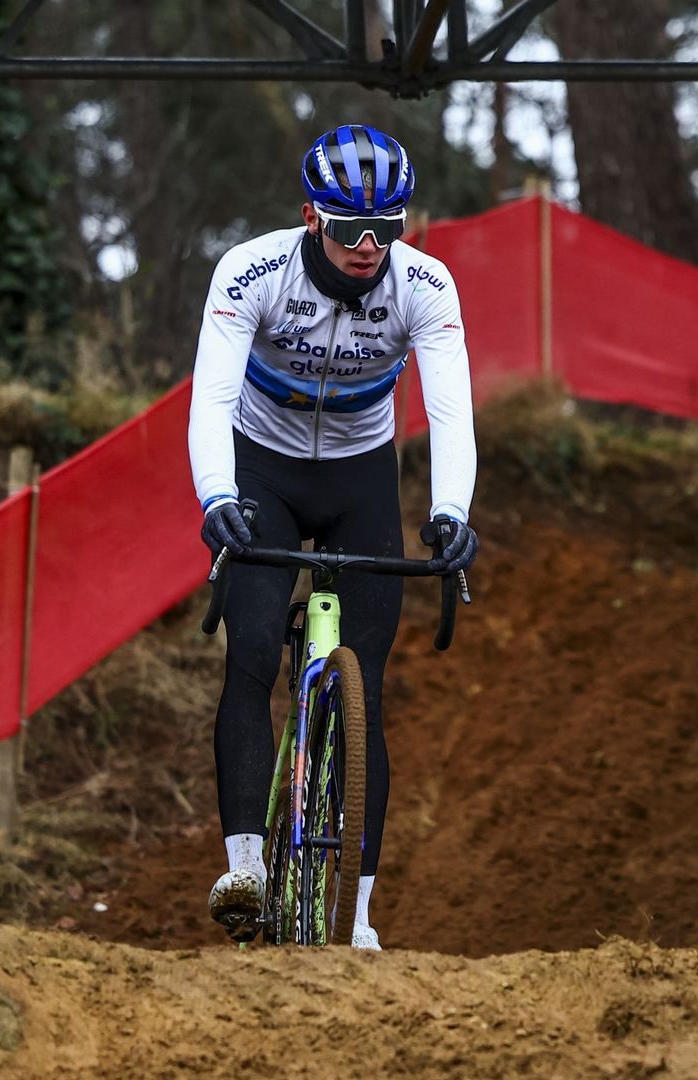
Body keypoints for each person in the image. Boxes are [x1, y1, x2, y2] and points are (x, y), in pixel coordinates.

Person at [187, 124, 480, 951]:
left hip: (359, 474)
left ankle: (353, 913)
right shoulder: (251, 271)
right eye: (350, 228)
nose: (368, 247)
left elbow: (453, 409)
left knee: (369, 686)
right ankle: (244, 866)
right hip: (262, 466)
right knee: (249, 651)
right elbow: (210, 400)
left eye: (387, 228)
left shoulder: (425, 284)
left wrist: (452, 512)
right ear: (310, 217)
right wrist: (217, 498)